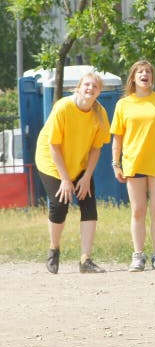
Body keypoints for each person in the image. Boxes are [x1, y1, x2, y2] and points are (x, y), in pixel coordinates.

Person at [35, 71, 111, 274]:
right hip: (51, 160)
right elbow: (54, 146)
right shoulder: (63, 107)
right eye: (86, 85)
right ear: (78, 87)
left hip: (79, 162)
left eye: (95, 87)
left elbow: (97, 148)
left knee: (89, 204)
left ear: (99, 92)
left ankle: (85, 260)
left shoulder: (100, 114)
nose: (90, 89)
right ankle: (54, 249)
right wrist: (65, 180)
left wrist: (86, 177)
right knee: (60, 203)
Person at [110, 60, 155, 272]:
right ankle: (138, 255)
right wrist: (116, 163)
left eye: (148, 71)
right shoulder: (123, 104)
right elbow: (117, 138)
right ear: (133, 78)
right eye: (140, 71)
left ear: (153, 77)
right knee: (138, 210)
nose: (145, 74)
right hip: (133, 163)